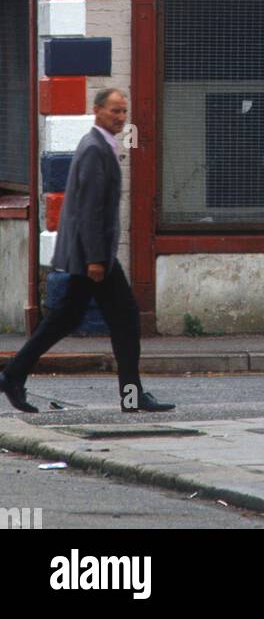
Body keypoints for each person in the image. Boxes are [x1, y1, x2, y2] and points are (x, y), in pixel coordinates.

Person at [0, 88, 174, 415]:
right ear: (97, 111)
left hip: (91, 253)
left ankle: (13, 375)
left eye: (124, 112)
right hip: (93, 256)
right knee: (125, 319)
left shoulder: (100, 145)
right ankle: (131, 397)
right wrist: (96, 258)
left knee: (67, 318)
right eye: (114, 111)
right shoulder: (95, 149)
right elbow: (92, 210)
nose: (121, 117)